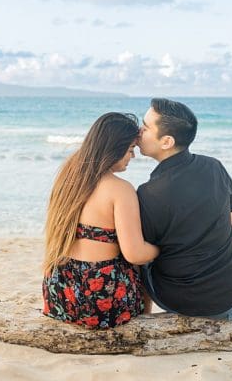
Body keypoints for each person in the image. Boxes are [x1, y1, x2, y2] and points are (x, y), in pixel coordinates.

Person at [42, 112, 159, 329]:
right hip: (98, 301)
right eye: (131, 149)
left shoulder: (69, 175)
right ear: (114, 147)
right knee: (145, 258)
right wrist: (161, 249)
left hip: (59, 291)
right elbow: (134, 253)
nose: (132, 156)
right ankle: (143, 321)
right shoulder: (120, 189)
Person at [136, 98, 232, 319]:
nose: (139, 131)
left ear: (166, 141)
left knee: (131, 252)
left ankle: (142, 315)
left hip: (184, 304)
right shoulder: (214, 166)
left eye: (146, 127)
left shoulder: (149, 193)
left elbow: (140, 254)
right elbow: (229, 221)